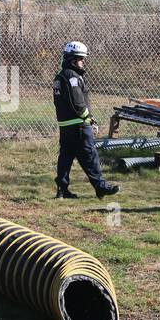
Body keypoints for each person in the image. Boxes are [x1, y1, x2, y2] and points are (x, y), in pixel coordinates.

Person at [53, 40, 119, 200]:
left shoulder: (61, 76)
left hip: (66, 125)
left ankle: (62, 189)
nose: (83, 62)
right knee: (90, 156)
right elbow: (77, 102)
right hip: (79, 126)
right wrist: (88, 118)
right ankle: (100, 187)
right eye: (81, 59)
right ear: (73, 60)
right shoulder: (72, 77)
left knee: (66, 157)